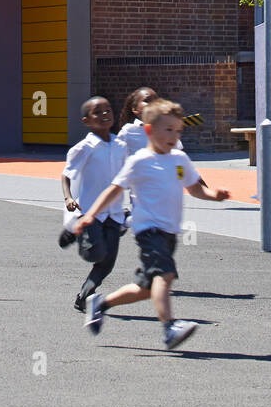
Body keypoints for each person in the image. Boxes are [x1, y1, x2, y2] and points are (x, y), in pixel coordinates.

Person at [73, 99, 230, 350]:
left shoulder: (179, 158)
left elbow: (195, 188)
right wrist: (91, 215)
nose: (174, 136)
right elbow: (114, 190)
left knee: (145, 288)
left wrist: (215, 195)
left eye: (178, 130)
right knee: (164, 276)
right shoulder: (139, 161)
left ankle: (99, 304)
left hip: (169, 232)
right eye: (168, 130)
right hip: (149, 231)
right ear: (149, 130)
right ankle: (169, 328)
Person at [62, 97, 128, 313]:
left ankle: (84, 296)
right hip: (90, 212)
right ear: (86, 121)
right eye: (98, 112)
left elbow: (129, 174)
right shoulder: (83, 148)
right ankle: (75, 232)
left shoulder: (121, 145)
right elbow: (66, 175)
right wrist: (68, 198)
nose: (105, 114)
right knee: (95, 254)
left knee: (107, 264)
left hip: (115, 213)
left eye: (108, 110)